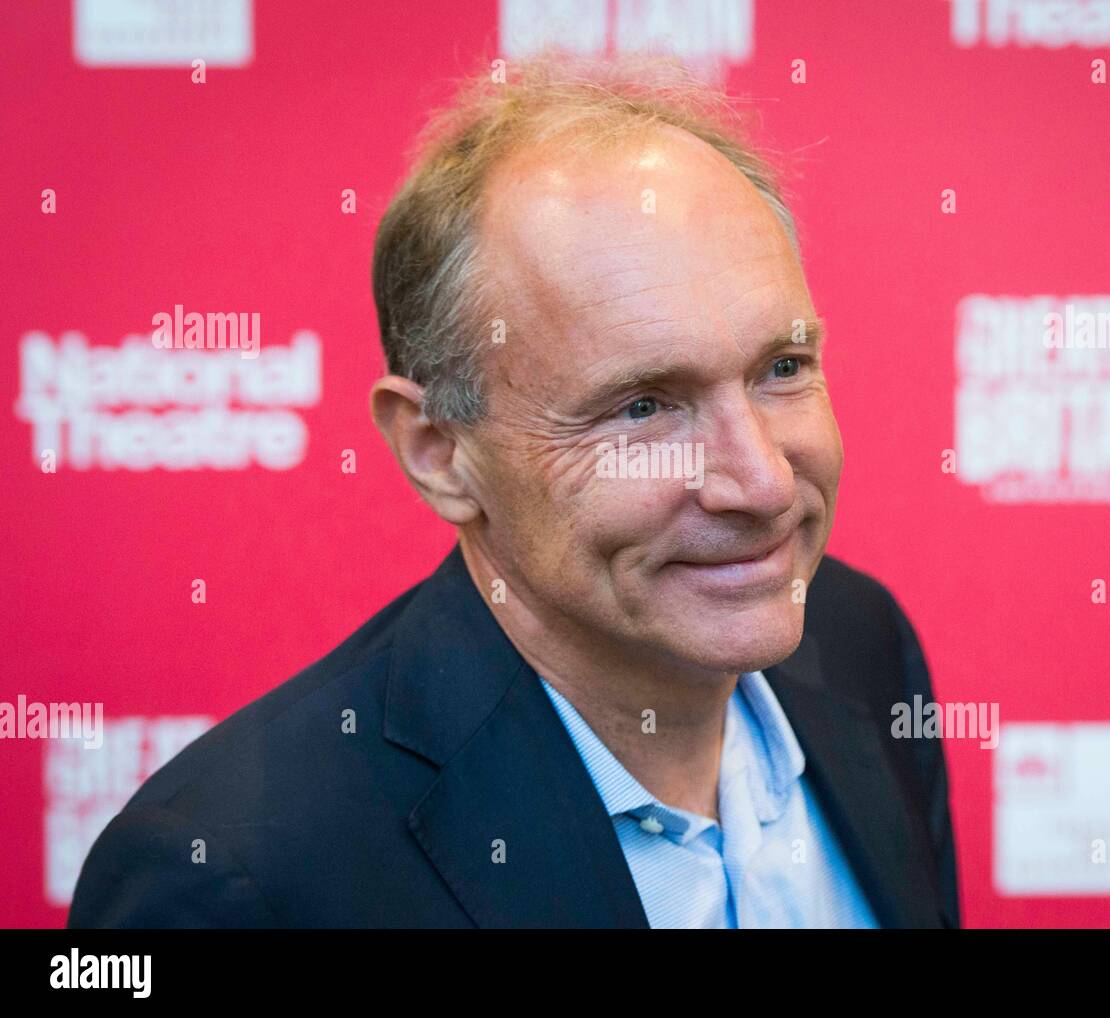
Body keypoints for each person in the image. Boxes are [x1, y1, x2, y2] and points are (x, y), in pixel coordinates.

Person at [67, 53, 960, 929]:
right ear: (440, 452)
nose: (762, 483)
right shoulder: (235, 880)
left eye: (782, 367)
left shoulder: (858, 644)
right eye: (644, 407)